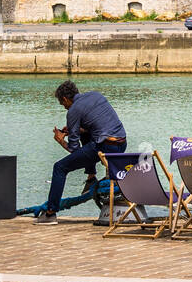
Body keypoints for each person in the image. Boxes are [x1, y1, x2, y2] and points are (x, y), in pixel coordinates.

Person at [36, 80, 127, 225]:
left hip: (105, 148)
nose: (64, 108)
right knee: (85, 135)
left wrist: (61, 140)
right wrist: (78, 129)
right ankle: (91, 178)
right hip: (121, 144)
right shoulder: (96, 95)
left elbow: (74, 150)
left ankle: (50, 213)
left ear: (65, 99)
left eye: (63, 104)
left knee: (59, 167)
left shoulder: (73, 111)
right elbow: (97, 124)